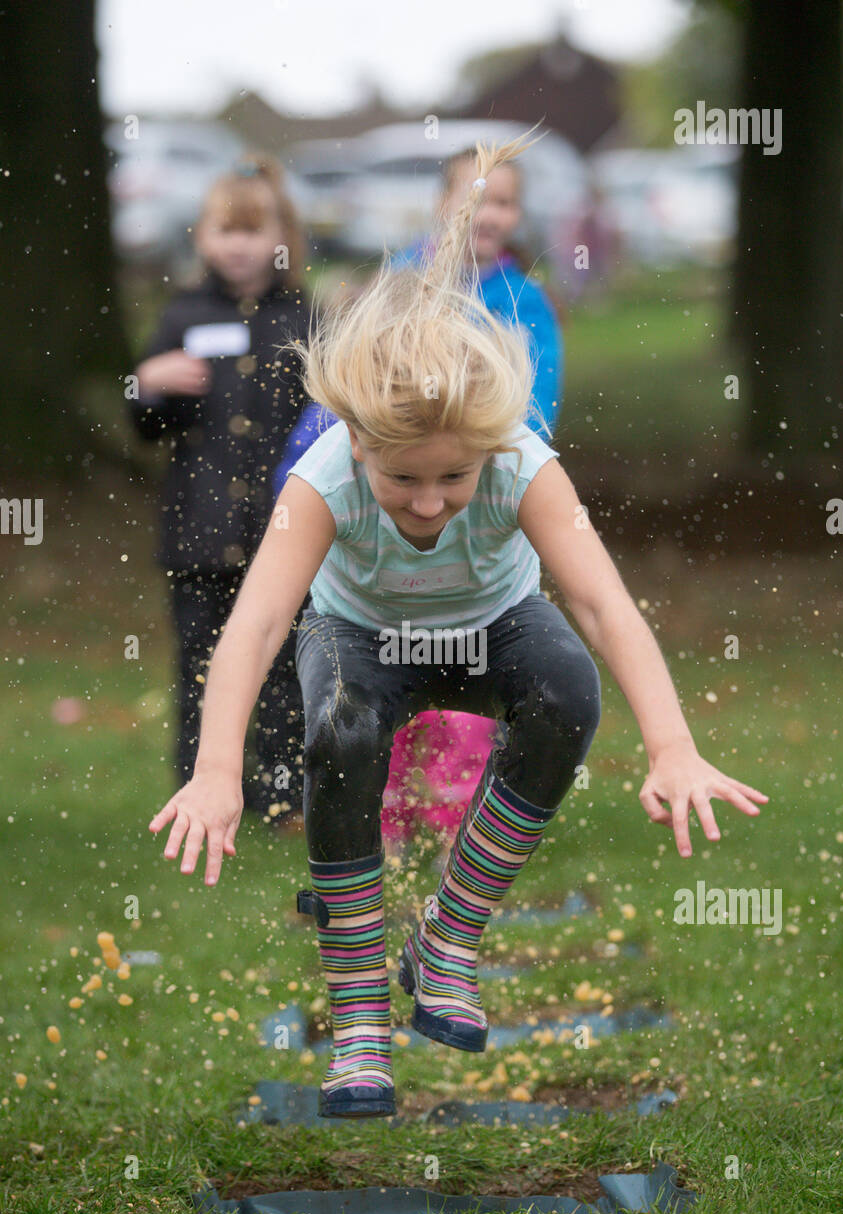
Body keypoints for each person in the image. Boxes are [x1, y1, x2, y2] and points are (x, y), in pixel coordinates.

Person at [148, 128, 769, 1122]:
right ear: (355, 441)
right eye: (402, 478)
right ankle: (358, 1010)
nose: (430, 502)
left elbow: (603, 606)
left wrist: (673, 746)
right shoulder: (320, 481)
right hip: (361, 639)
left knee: (568, 687)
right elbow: (260, 624)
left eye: (453, 477)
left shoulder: (520, 461)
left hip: (493, 626)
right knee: (338, 728)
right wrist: (219, 769)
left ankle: (446, 934)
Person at [272, 142, 565, 865]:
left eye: (505, 202)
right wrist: (297, 491)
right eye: (477, 198)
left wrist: (515, 468)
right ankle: (391, 822)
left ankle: (463, 823)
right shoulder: (397, 286)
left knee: (476, 690)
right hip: (375, 581)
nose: (490, 214)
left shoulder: (523, 299)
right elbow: (339, 421)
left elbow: (540, 404)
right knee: (376, 701)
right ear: (446, 204)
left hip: (479, 531)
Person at [129, 153, 311, 828]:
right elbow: (143, 422)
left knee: (286, 668)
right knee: (200, 669)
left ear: (281, 237)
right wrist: (148, 381)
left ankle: (284, 796)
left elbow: (330, 420)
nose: (237, 245)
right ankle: (197, 794)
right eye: (224, 230)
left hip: (284, 536)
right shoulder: (181, 315)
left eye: (252, 229)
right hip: (199, 533)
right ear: (202, 237)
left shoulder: (301, 320)